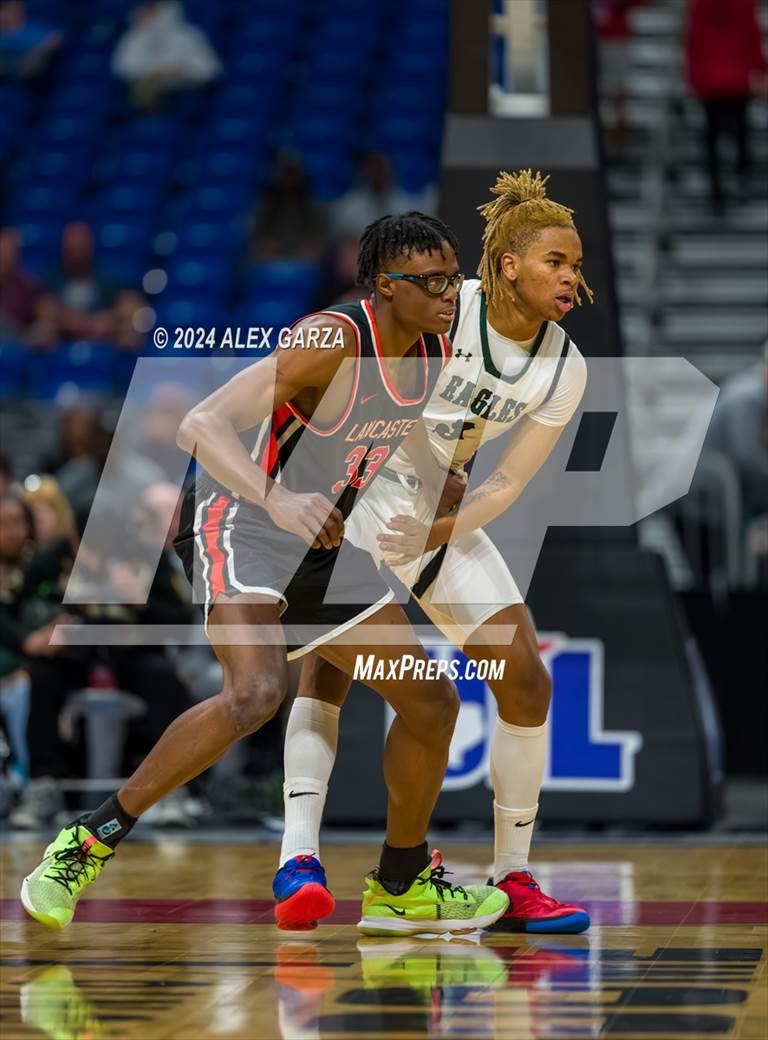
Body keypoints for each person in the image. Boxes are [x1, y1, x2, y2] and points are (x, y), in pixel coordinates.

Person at [20, 213, 509, 937]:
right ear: (383, 286)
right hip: (238, 515)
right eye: (431, 280)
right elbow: (203, 423)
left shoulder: (436, 353)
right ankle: (84, 843)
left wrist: (433, 482)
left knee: (433, 704)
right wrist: (276, 496)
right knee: (254, 692)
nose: (449, 291)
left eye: (452, 275)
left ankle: (402, 882)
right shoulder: (331, 338)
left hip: (320, 537)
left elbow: (375, 439)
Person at [275, 171, 593, 933]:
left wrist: (440, 525)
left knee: (524, 677)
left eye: (578, 267)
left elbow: (511, 478)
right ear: (509, 264)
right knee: (330, 666)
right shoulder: (451, 303)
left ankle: (510, 877)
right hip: (359, 481)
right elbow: (386, 380)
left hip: (434, 514)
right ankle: (299, 859)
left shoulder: (566, 366)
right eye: (558, 262)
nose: (573, 278)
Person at [684, 0, 768, 211]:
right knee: (740, 129)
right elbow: (752, 36)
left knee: (713, 136)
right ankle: (742, 173)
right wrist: (760, 70)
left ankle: (717, 190)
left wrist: (693, 77)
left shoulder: (700, 5)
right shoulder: (744, 4)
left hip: (710, 78)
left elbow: (694, 41)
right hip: (736, 76)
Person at [112, 0, 220, 112]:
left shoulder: (189, 35)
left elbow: (210, 69)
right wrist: (158, 72)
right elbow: (123, 68)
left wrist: (181, 71)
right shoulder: (133, 38)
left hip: (184, 93)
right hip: (146, 88)